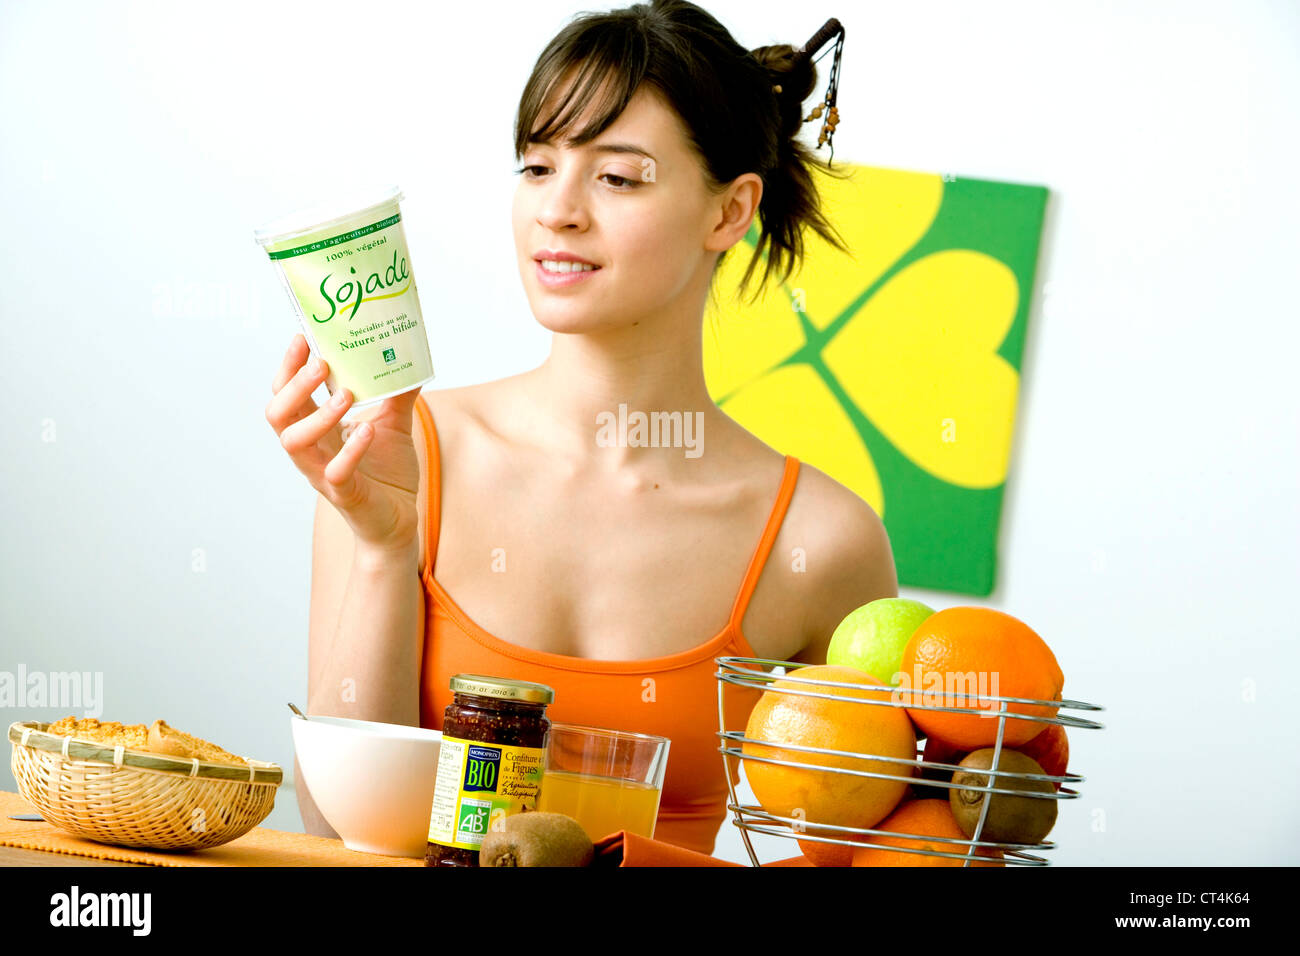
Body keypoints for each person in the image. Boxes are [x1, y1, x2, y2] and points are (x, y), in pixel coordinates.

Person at [266, 0, 897, 857]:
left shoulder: (822, 540)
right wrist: (383, 547)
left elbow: (883, 839)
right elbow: (337, 829)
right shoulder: (402, 454)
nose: (557, 210)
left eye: (619, 177)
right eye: (536, 166)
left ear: (728, 212)